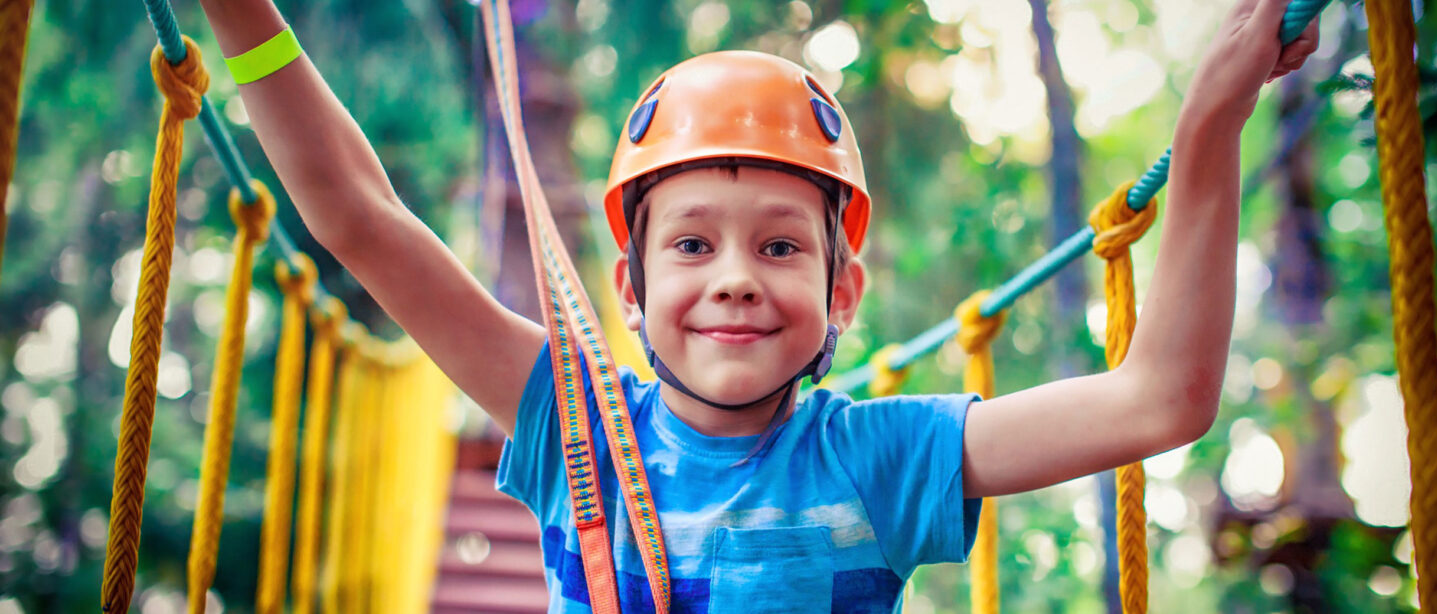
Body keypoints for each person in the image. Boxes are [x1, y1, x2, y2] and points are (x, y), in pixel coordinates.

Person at [199, 0, 1320, 610]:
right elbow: (359, 219)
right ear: (629, 288)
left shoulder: (881, 457)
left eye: (780, 245)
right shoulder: (574, 422)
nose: (734, 274)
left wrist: (1207, 125)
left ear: (842, 293)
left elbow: (1161, 397)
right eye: (691, 242)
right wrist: (240, 12)